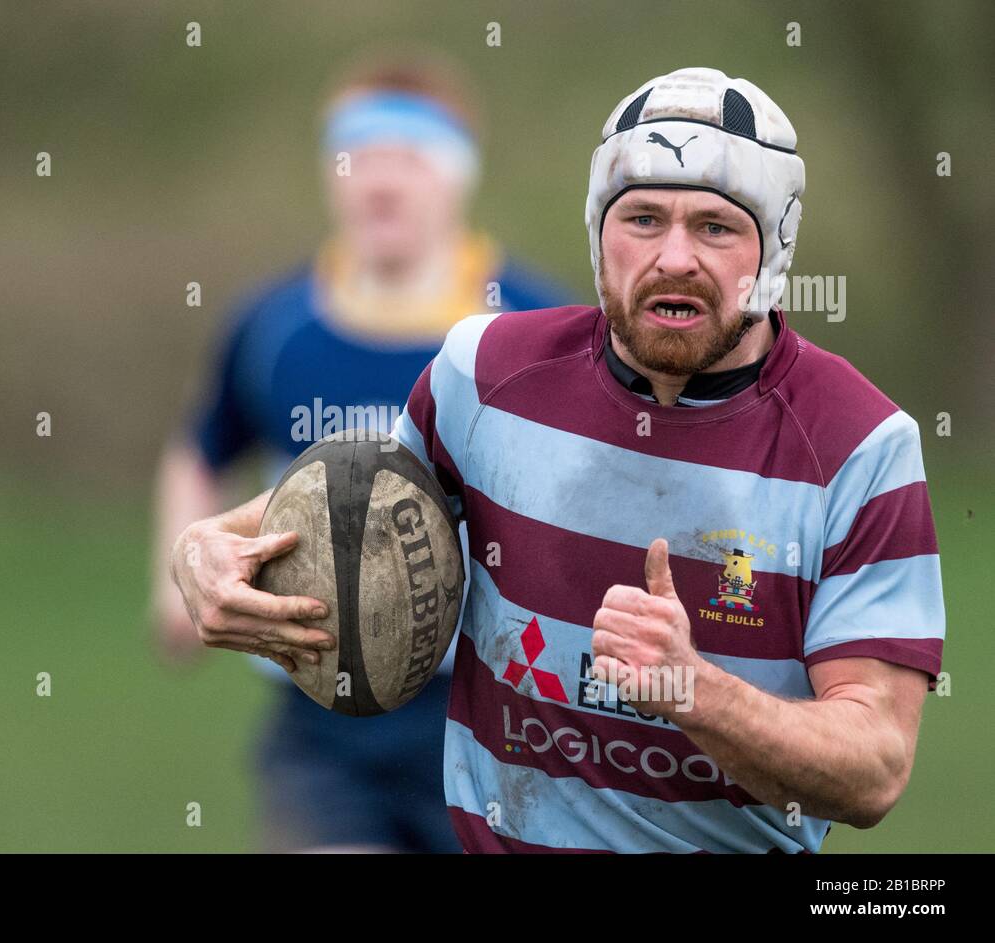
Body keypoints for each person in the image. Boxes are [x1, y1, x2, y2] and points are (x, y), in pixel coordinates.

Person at [168, 67, 945, 853]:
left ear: (773, 250)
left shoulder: (861, 446)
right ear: (599, 234)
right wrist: (201, 549)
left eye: (715, 226)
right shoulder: (484, 374)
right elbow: (351, 500)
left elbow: (873, 769)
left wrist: (694, 688)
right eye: (641, 218)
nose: (674, 256)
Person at [153, 53, 570, 853]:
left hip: (498, 725)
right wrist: (177, 579)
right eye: (358, 157)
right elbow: (201, 446)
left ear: (459, 177)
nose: (380, 181)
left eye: (408, 159)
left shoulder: (532, 329)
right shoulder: (276, 329)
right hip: (323, 729)